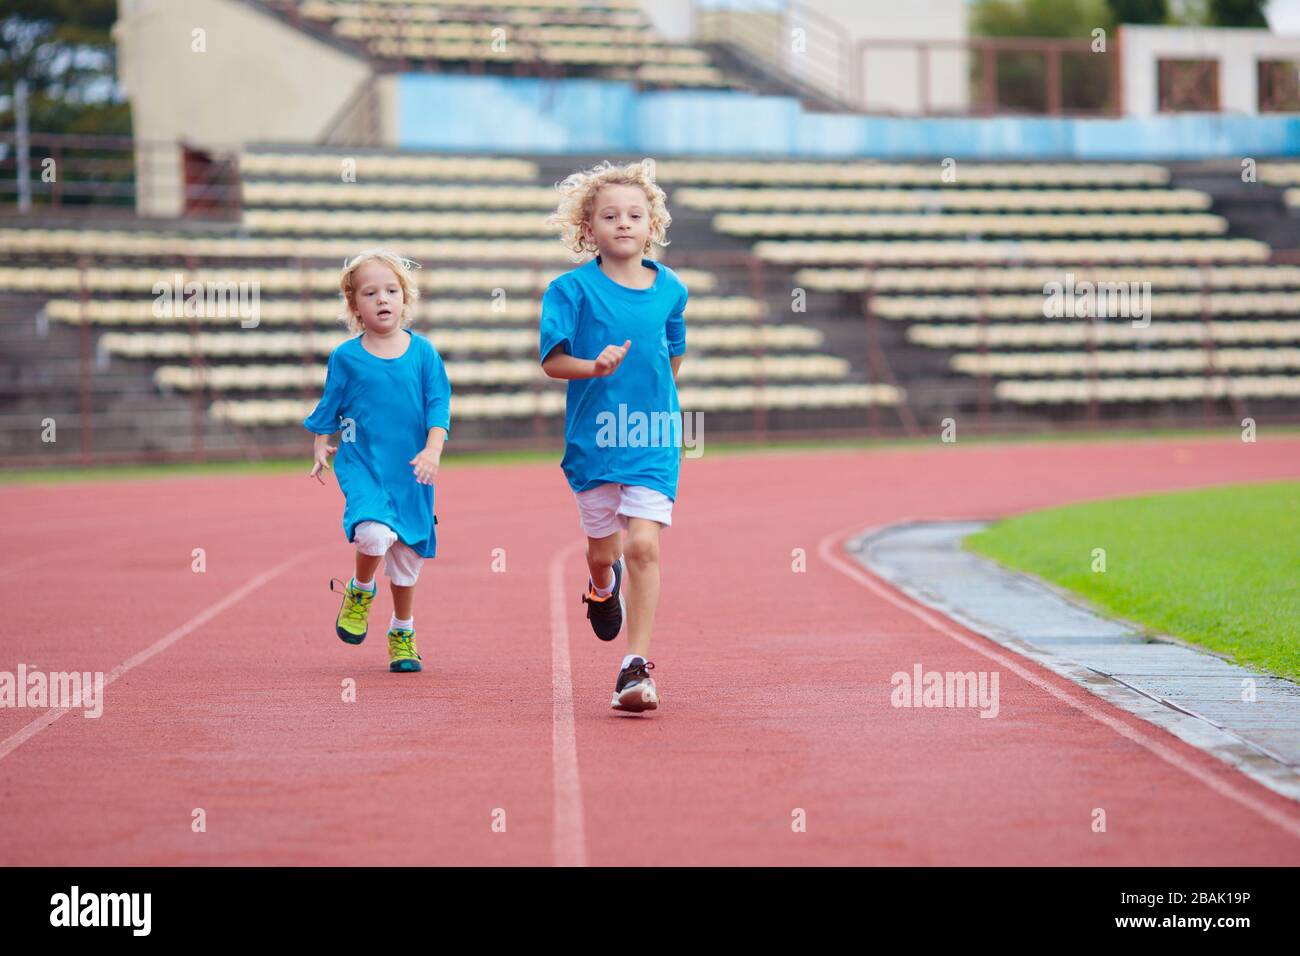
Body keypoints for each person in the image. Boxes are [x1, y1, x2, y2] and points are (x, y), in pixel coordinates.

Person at [540, 160, 688, 712]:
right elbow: (553, 363)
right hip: (594, 439)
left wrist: (654, 405)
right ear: (588, 230)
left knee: (644, 544)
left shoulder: (671, 289)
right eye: (609, 215)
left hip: (651, 437)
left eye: (634, 214)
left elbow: (673, 354)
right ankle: (603, 587)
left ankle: (634, 665)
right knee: (603, 550)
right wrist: (595, 369)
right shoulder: (568, 291)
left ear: (652, 224)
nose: (623, 223)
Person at [304, 249, 450, 673]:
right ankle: (361, 589)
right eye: (370, 293)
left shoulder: (424, 354)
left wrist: (432, 450)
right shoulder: (346, 358)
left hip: (411, 472)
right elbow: (329, 406)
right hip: (363, 466)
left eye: (391, 291)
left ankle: (402, 632)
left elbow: (439, 407)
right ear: (355, 306)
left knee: (405, 559)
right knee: (372, 535)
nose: (382, 299)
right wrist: (320, 445)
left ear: (405, 298)